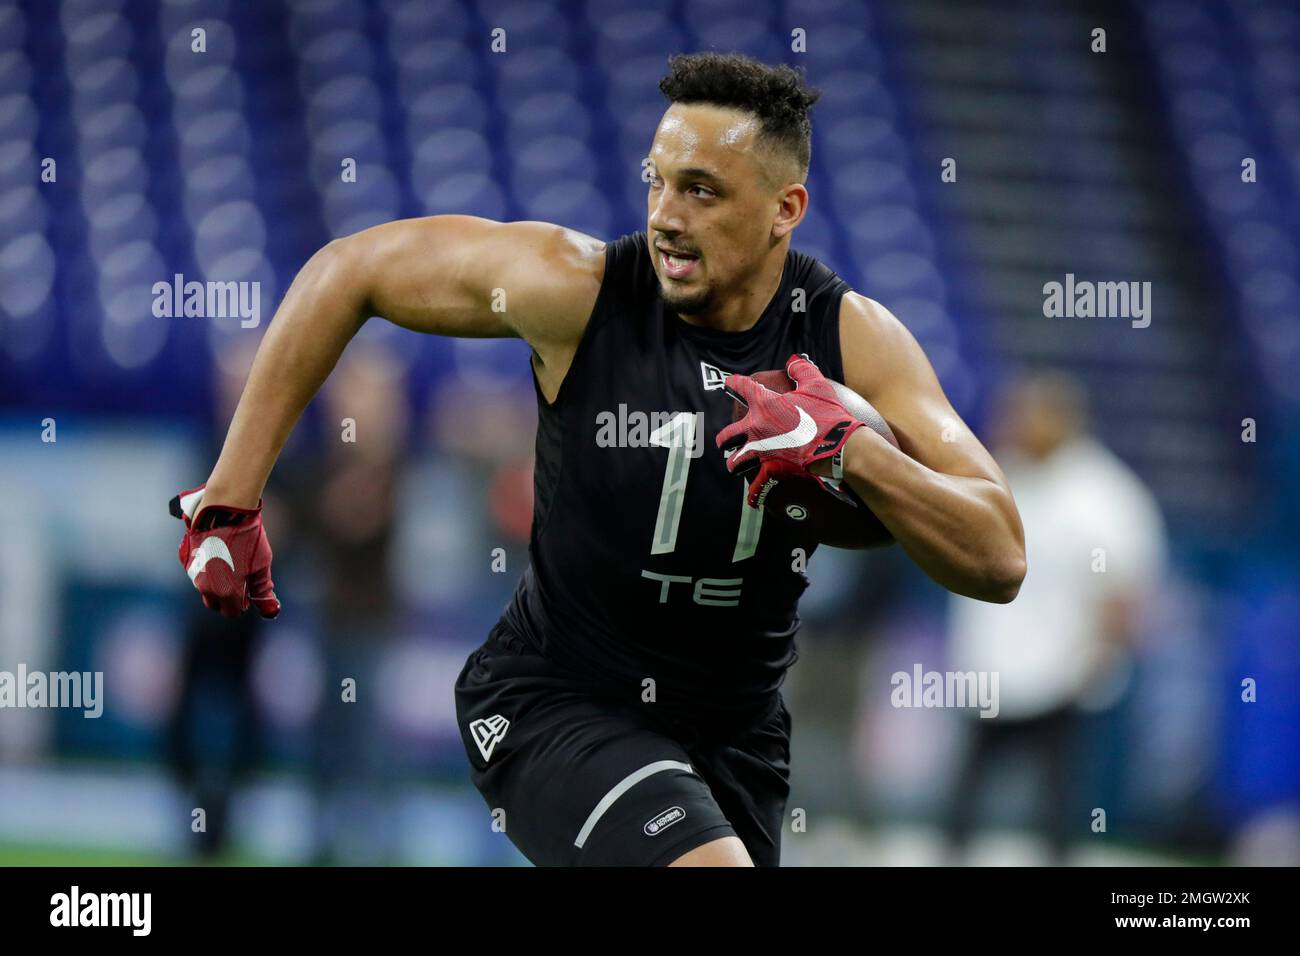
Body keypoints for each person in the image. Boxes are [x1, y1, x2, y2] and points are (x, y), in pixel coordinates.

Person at [169, 52, 1026, 867]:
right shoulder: (579, 290)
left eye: (702, 190)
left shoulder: (851, 340)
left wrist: (854, 455)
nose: (667, 215)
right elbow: (347, 271)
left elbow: (999, 556)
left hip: (735, 732)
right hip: (558, 699)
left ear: (785, 209)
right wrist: (232, 498)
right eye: (656, 181)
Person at [944, 370, 1167, 864]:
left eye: (1028, 414)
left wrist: (1097, 659)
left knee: (1056, 803)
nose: (1015, 424)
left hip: (1061, 674)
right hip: (992, 668)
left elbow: (1128, 591)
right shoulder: (999, 474)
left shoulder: (1105, 496)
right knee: (964, 798)